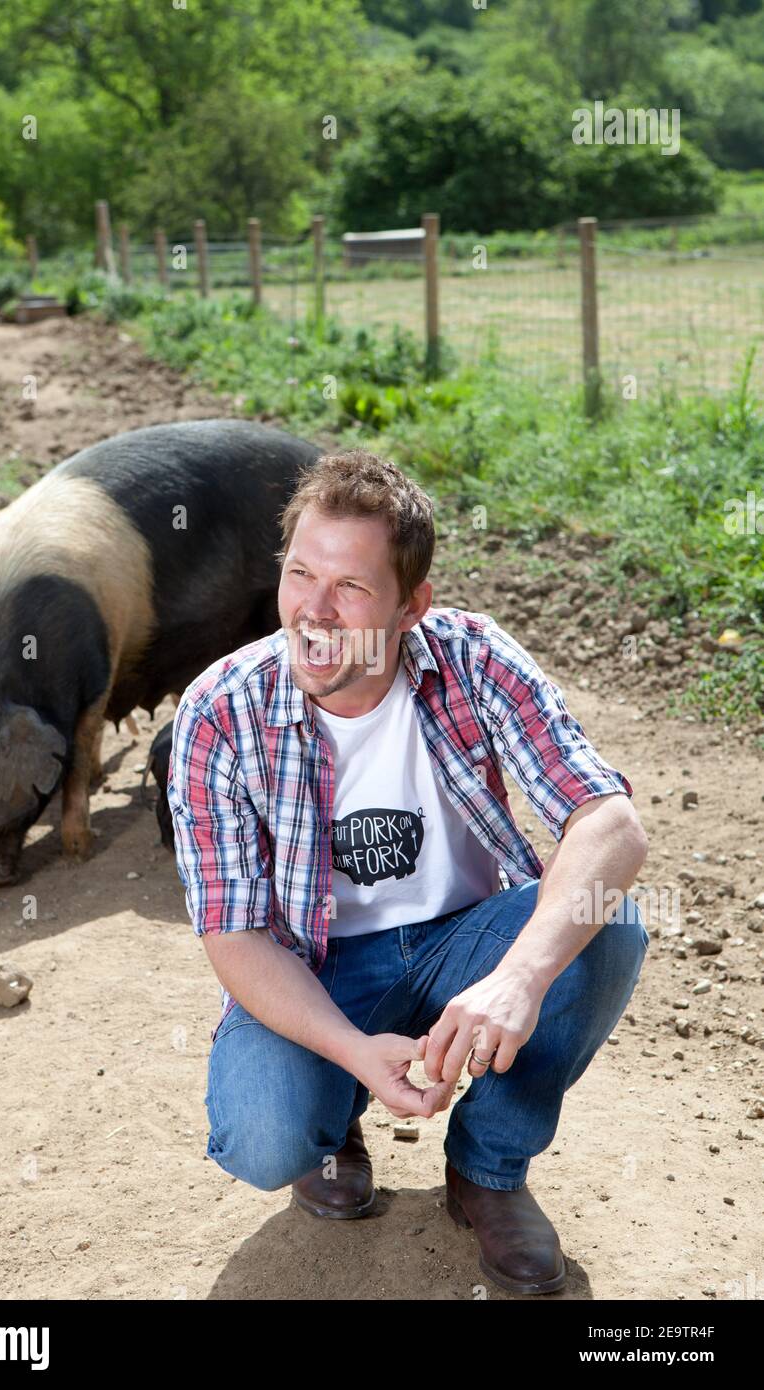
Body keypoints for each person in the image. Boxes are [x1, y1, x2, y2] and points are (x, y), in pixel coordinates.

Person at [168, 448, 649, 1297]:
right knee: (263, 1138)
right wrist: (355, 1053)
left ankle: (488, 1171)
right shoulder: (219, 710)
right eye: (299, 573)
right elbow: (234, 935)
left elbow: (609, 821)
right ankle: (330, 1126)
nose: (312, 612)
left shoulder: (469, 657)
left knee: (609, 916)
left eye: (350, 587)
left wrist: (520, 979)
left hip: (467, 944)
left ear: (411, 606)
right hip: (313, 968)